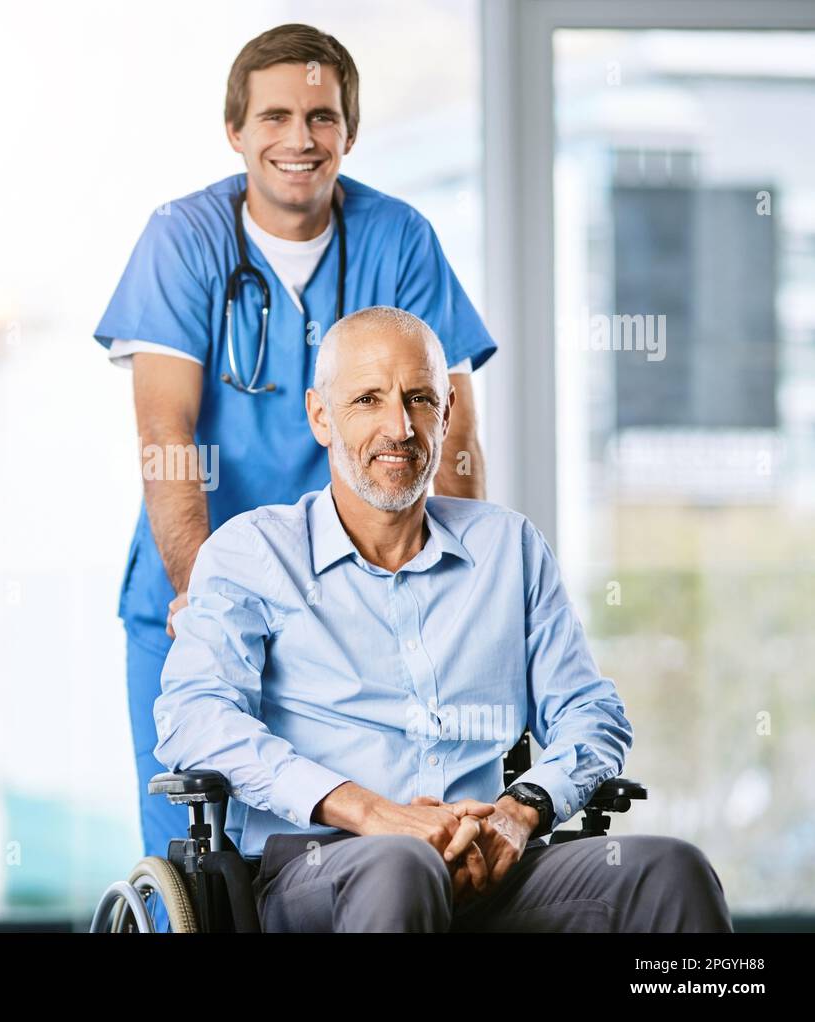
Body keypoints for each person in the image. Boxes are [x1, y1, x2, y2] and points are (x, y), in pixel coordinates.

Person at [151, 306, 732, 932]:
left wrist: (522, 809)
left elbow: (593, 715)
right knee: (401, 864)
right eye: (368, 399)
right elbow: (194, 717)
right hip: (320, 869)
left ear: (447, 411)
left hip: (487, 861)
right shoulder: (253, 553)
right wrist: (373, 814)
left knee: (672, 871)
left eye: (419, 398)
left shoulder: (509, 549)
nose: (398, 426)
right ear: (321, 416)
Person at [93, 23, 498, 877]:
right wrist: (202, 597)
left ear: (349, 131)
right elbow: (168, 436)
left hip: (347, 602)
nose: (300, 139)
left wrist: (470, 589)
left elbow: (450, 432)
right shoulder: (184, 239)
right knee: (197, 865)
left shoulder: (400, 239)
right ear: (235, 131)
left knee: (350, 854)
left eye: (322, 117)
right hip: (195, 583)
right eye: (275, 115)